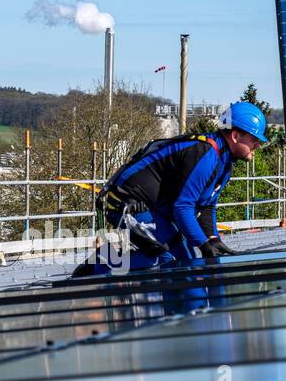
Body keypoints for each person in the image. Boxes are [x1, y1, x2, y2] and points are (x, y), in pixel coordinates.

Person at [98, 100, 268, 269]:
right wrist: (203, 244)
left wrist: (213, 239)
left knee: (187, 259)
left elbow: (207, 206)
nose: (258, 145)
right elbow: (183, 207)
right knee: (171, 258)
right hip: (127, 203)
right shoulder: (207, 153)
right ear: (236, 136)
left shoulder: (225, 162)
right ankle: (100, 266)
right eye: (254, 139)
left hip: (153, 206)